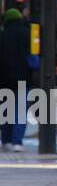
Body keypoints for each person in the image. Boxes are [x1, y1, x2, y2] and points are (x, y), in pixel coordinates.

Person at [0, 10, 32, 151]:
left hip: (4, 79)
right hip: (23, 77)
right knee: (20, 111)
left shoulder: (2, 35)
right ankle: (17, 142)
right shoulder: (27, 33)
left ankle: (5, 140)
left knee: (6, 110)